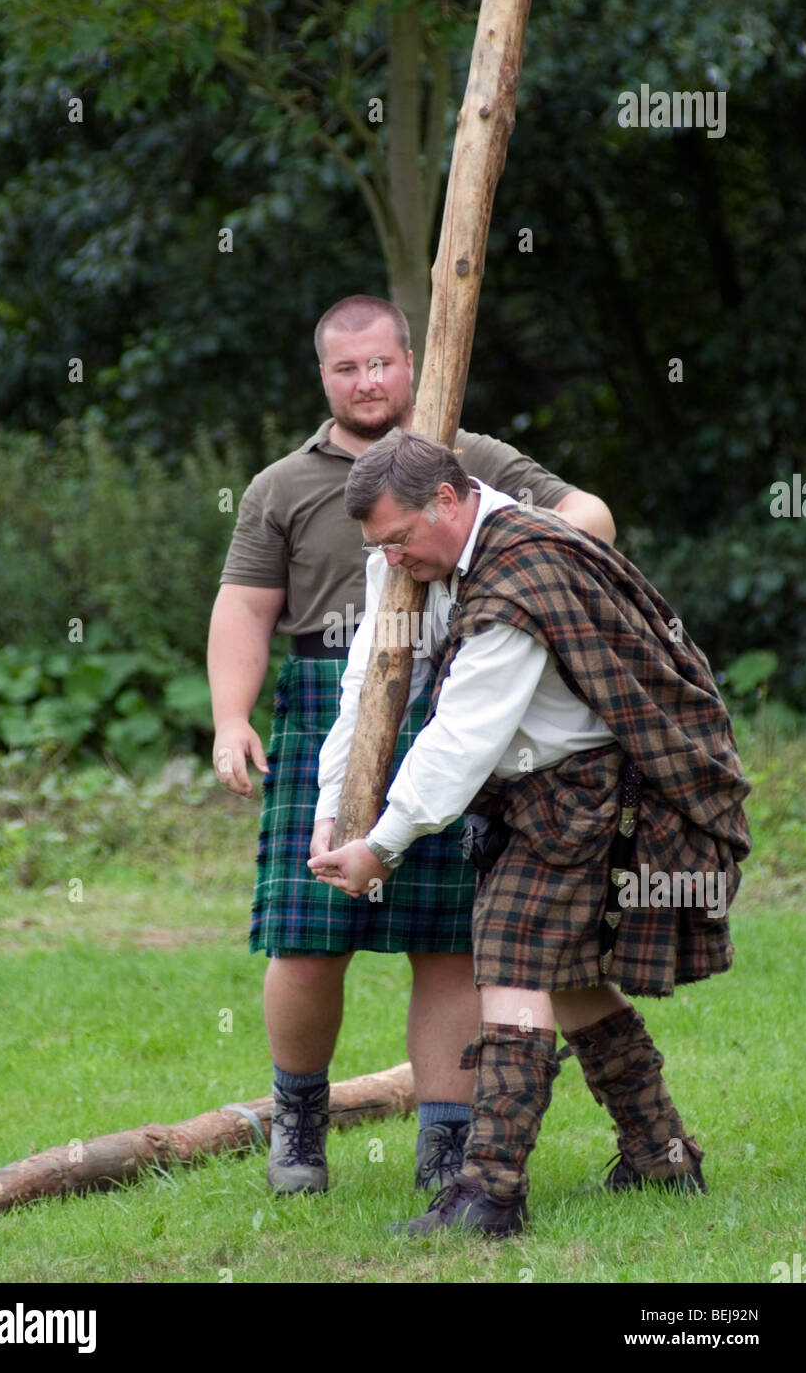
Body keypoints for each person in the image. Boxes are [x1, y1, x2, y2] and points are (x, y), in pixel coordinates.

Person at [208, 295, 615, 1197]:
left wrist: (514, 562)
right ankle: (299, 1123)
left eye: (382, 364)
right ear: (323, 377)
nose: (367, 382)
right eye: (346, 369)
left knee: (450, 942)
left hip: (458, 685)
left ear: (410, 362)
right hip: (330, 691)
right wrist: (231, 716)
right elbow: (245, 607)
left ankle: (447, 1145)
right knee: (308, 935)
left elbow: (593, 516)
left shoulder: (471, 464)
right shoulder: (283, 484)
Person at [309, 430, 751, 1236]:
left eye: (400, 540)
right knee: (569, 974)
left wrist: (382, 843)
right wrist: (332, 810)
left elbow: (461, 734)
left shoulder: (526, 568)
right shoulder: (408, 558)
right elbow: (370, 685)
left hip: (600, 787)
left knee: (511, 956)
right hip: (529, 790)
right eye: (380, 547)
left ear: (450, 498)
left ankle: (490, 1194)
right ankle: (661, 1156)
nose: (393, 558)